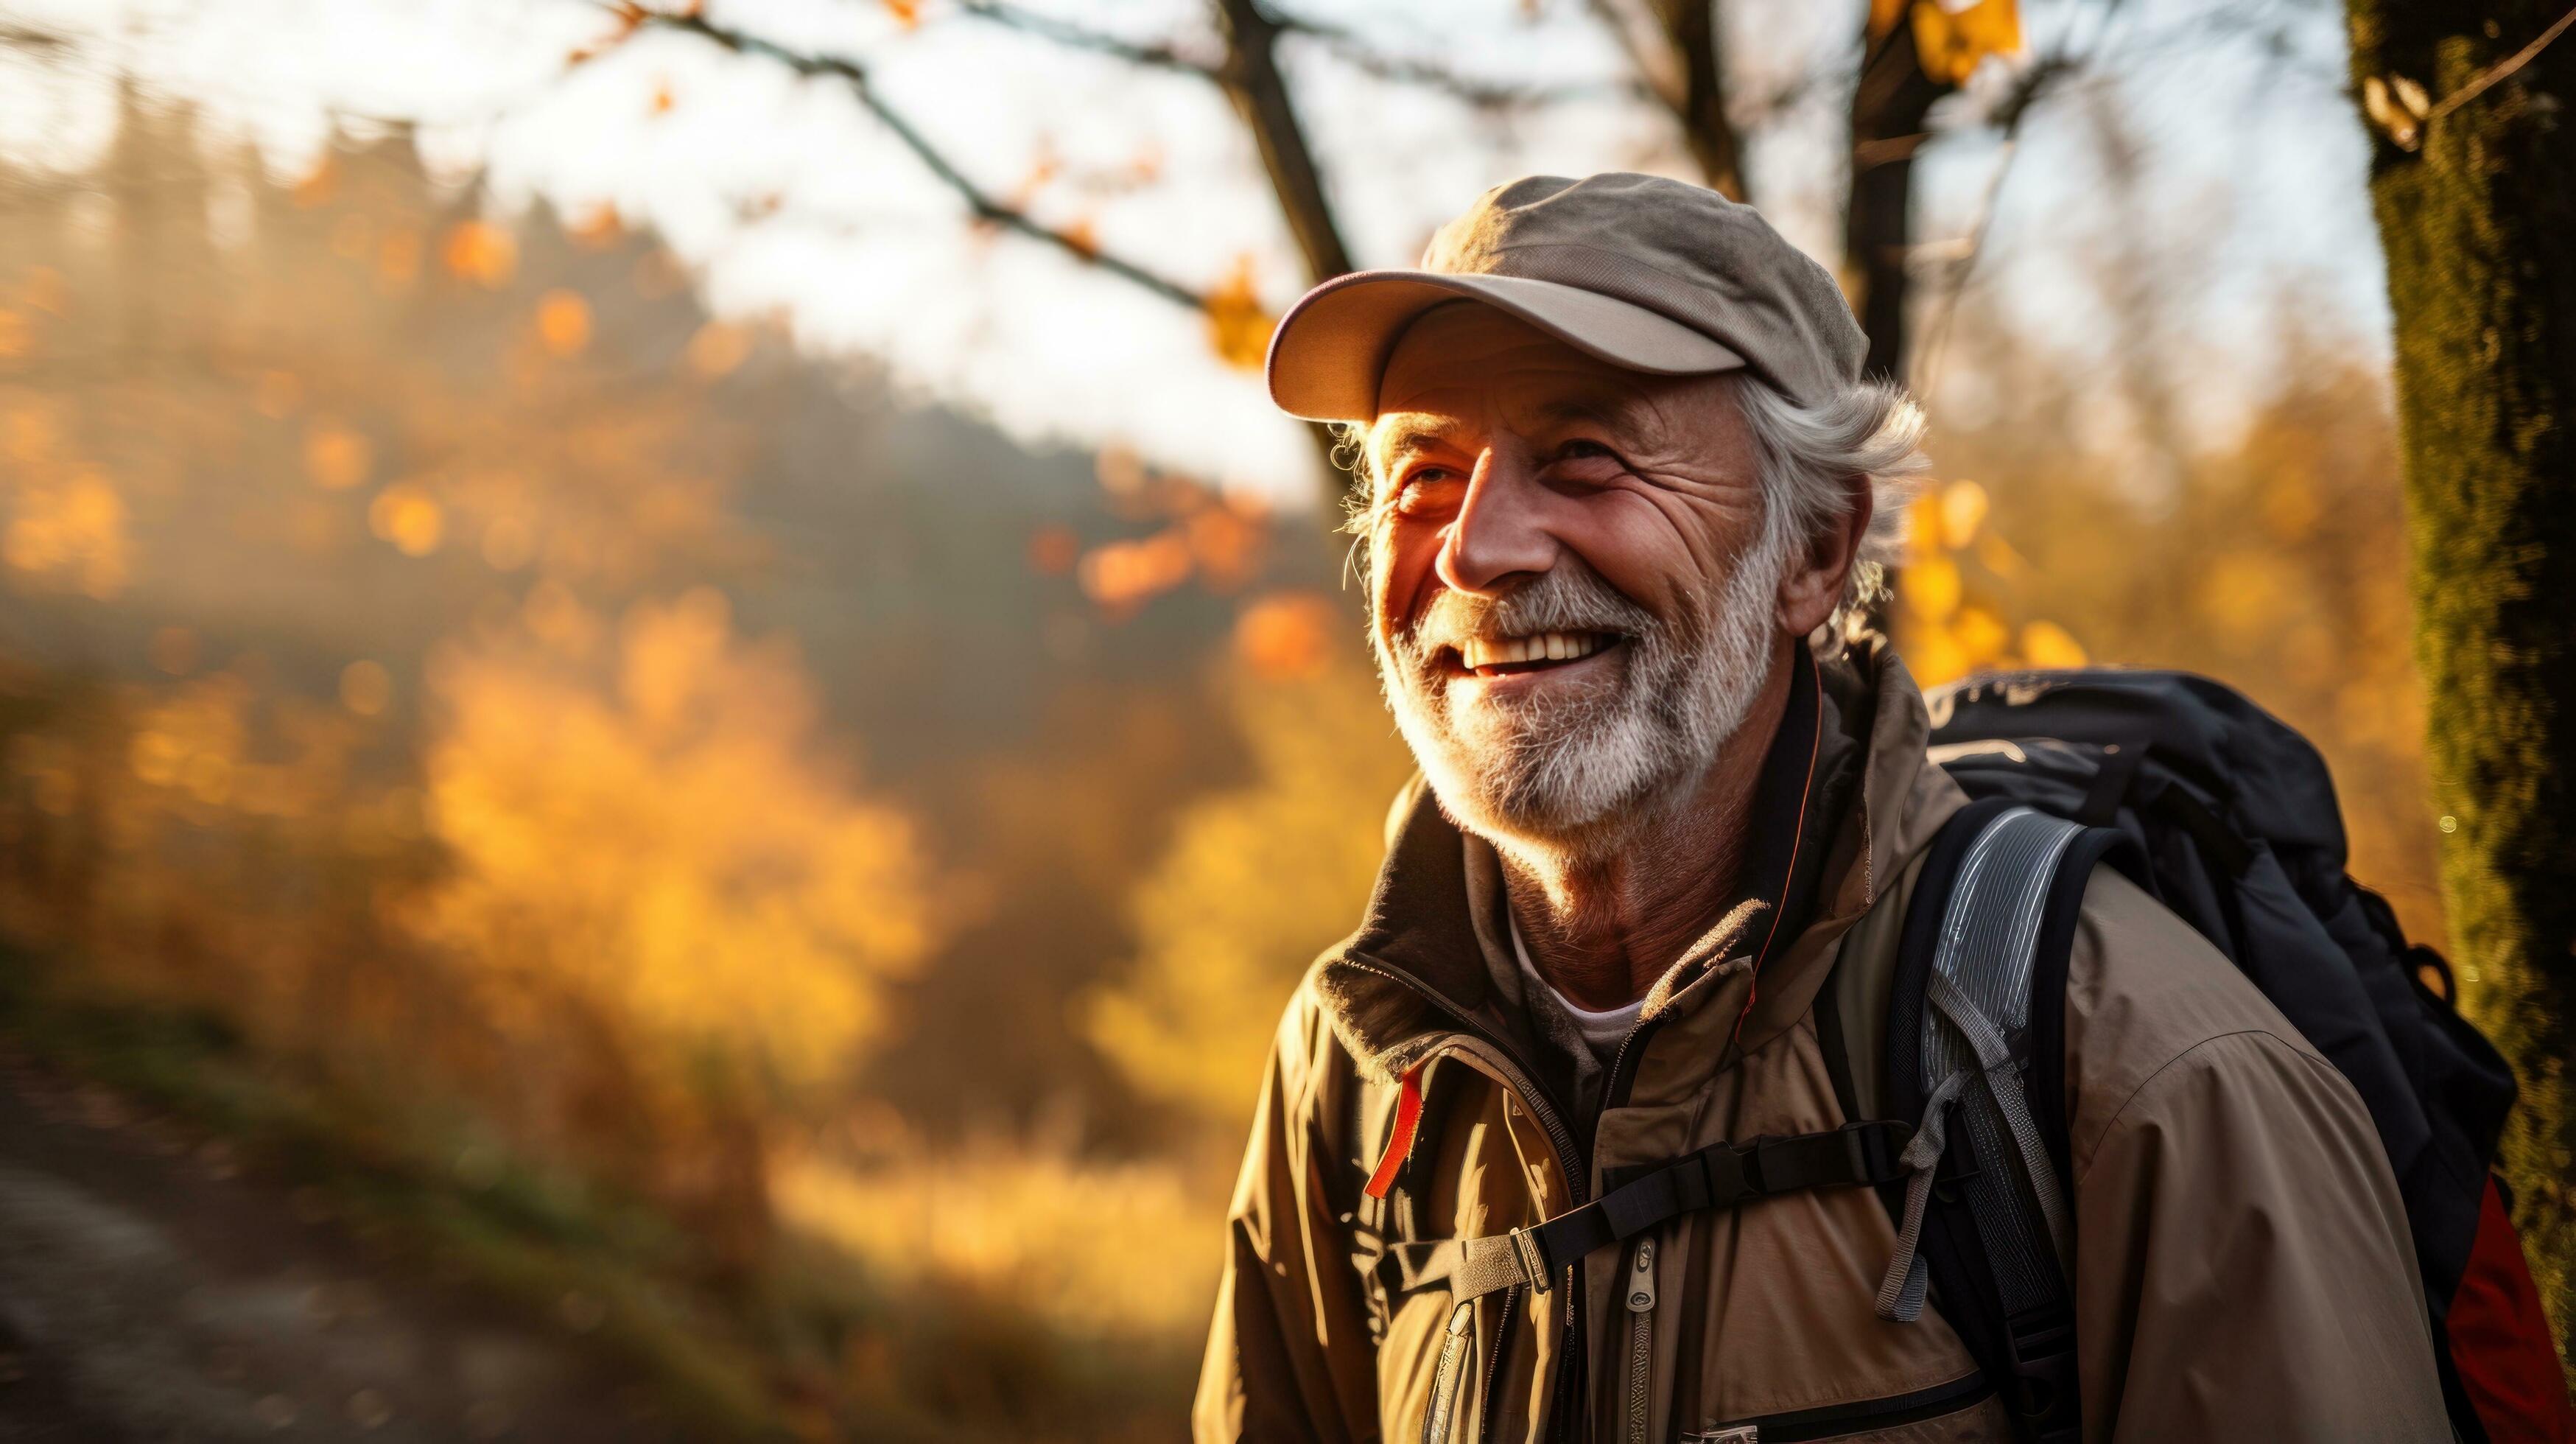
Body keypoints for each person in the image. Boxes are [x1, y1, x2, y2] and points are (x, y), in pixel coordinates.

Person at [1193, 172, 2449, 1443]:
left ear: (1812, 550)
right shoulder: (1354, 1070)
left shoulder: (2134, 1065)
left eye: (1585, 458)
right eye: (1422, 477)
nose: (1475, 549)